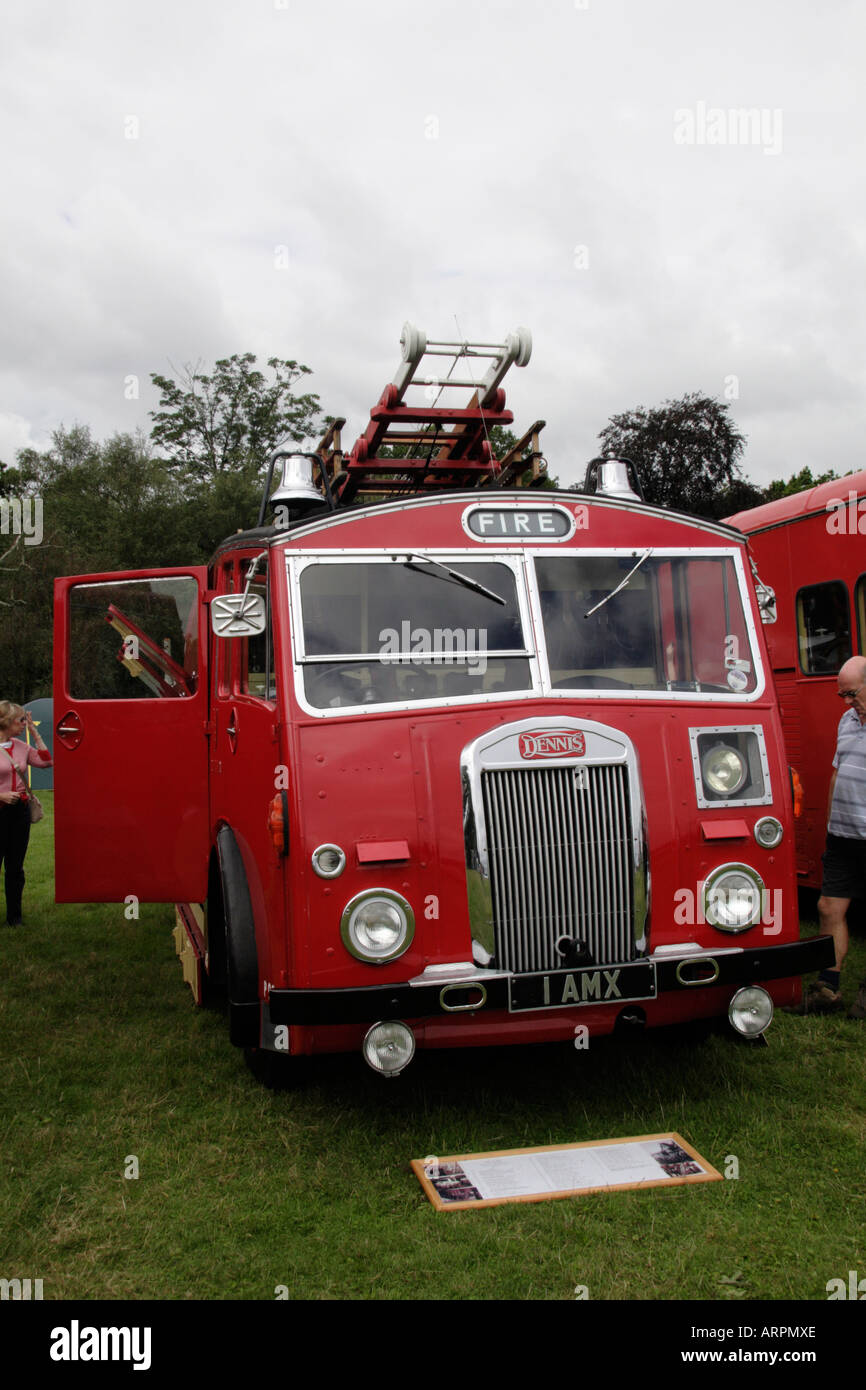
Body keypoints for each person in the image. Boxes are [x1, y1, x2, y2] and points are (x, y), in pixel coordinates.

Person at [793, 657, 866, 1017]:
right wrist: (828, 824)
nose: (846, 702)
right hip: (843, 836)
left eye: (851, 693)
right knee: (827, 908)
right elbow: (837, 772)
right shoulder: (847, 721)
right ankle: (827, 989)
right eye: (842, 695)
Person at [0, 701, 52, 926]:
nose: (23, 724)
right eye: (20, 720)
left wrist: (35, 732)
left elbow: (47, 761)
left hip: (19, 813)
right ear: (5, 722)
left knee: (15, 866)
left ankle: (15, 917)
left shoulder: (21, 746)